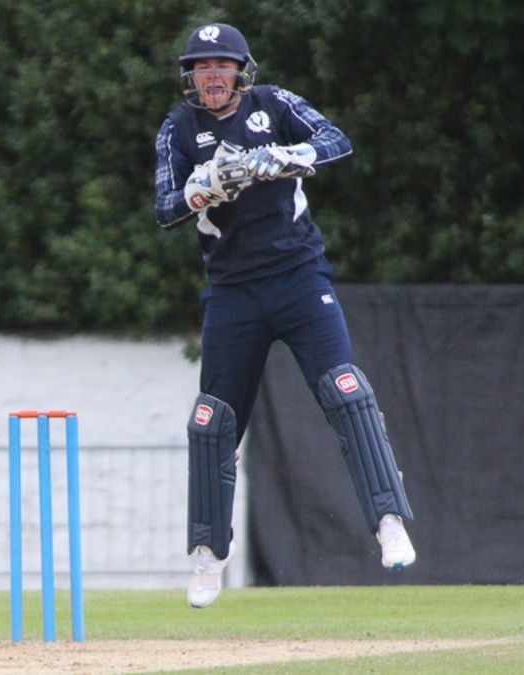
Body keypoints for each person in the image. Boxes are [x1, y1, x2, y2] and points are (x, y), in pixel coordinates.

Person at [153, 23, 416, 608]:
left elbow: (336, 139)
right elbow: (165, 206)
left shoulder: (273, 103)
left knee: (345, 391)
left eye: (221, 65)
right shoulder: (179, 126)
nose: (212, 75)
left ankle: (388, 520)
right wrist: (200, 192)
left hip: (299, 278)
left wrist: (288, 155)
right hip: (232, 291)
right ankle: (206, 555)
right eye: (201, 67)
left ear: (240, 70)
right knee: (211, 422)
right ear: (190, 76)